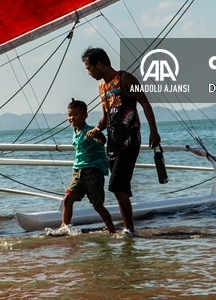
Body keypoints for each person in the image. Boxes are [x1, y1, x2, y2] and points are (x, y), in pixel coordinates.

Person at [83, 47, 160, 237]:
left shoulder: (126, 79)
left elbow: (145, 103)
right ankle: (129, 228)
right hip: (113, 142)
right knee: (121, 187)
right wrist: (95, 129)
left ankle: (130, 229)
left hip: (130, 139)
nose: (89, 72)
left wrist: (154, 132)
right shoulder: (102, 87)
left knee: (117, 186)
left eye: (89, 68)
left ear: (99, 64)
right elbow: (106, 116)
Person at [56, 98, 117, 235]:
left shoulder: (90, 131)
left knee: (97, 205)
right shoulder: (75, 131)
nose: (72, 118)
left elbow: (102, 140)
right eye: (70, 115)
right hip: (78, 172)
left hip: (93, 172)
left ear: (85, 115)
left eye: (75, 115)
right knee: (67, 199)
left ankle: (112, 230)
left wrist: (98, 133)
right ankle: (64, 228)